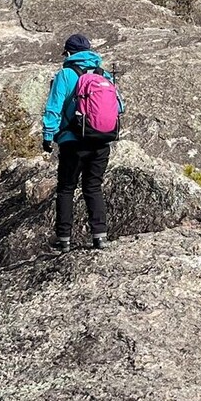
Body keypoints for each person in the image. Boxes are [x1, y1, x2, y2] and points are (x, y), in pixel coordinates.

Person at [41, 33, 124, 251]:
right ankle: (99, 236)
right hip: (100, 141)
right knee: (93, 187)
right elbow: (119, 107)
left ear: (68, 53)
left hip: (72, 142)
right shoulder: (103, 74)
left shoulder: (66, 74)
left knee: (66, 189)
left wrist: (48, 136)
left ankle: (64, 239)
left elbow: (54, 107)